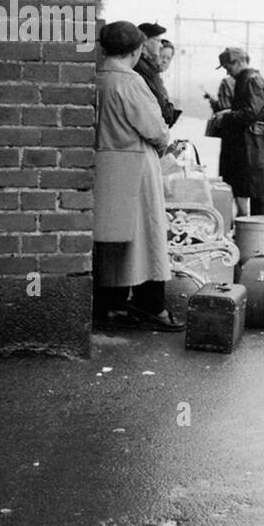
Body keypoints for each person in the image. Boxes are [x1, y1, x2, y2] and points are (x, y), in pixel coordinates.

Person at [93, 20, 183, 332]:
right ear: (135, 50)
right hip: (136, 164)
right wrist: (164, 141)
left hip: (103, 164)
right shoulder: (130, 82)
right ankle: (151, 307)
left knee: (111, 241)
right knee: (147, 238)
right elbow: (156, 129)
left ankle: (112, 305)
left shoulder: (96, 78)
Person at [209, 47, 264, 217]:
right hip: (252, 148)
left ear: (240, 62)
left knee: (260, 197)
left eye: (228, 67)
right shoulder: (246, 79)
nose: (227, 72)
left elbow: (252, 112)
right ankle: (258, 238)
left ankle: (262, 239)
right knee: (258, 193)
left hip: (254, 149)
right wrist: (228, 113)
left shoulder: (250, 80)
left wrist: (225, 118)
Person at [134, 22, 182, 128]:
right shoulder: (144, 69)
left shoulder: (148, 68)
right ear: (145, 41)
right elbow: (160, 106)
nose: (160, 45)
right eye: (158, 41)